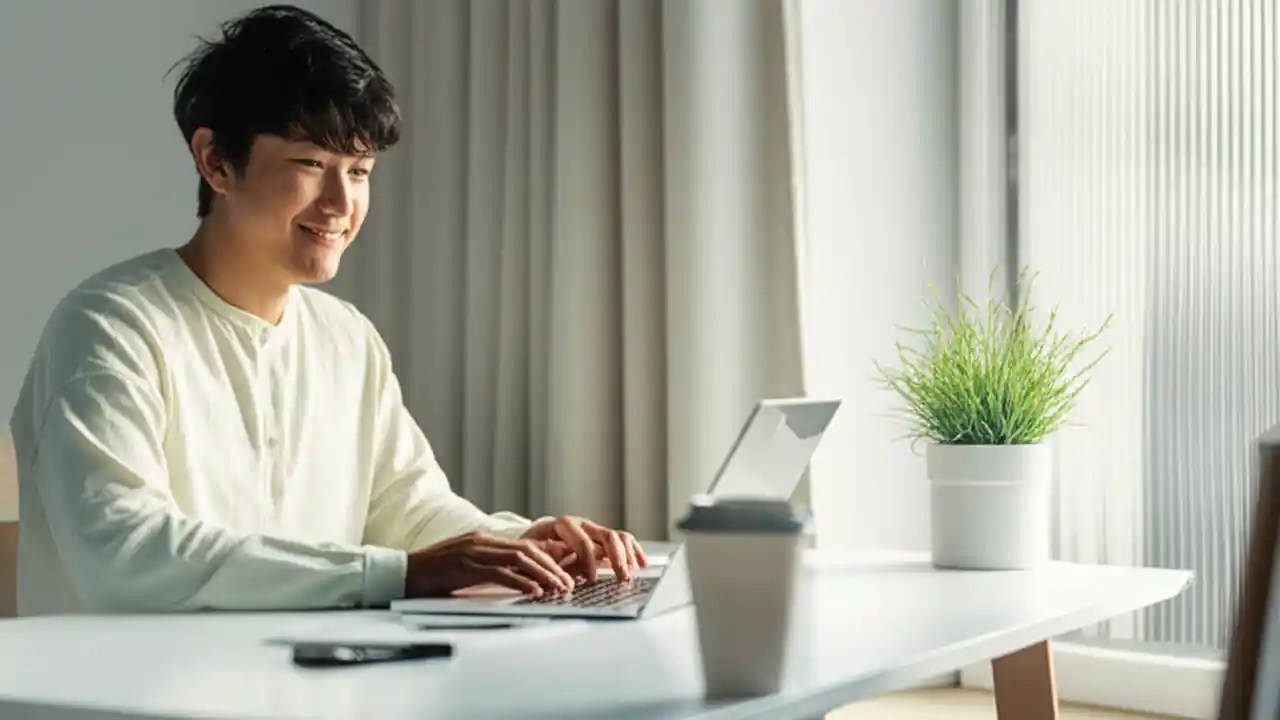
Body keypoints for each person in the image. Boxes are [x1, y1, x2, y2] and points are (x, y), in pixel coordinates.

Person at [8, 4, 644, 616]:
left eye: (360, 170)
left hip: (298, 681)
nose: (341, 202)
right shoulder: (110, 326)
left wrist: (525, 544)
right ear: (215, 161)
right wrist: (396, 573)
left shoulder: (345, 338)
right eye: (311, 164)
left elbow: (410, 511)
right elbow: (123, 552)